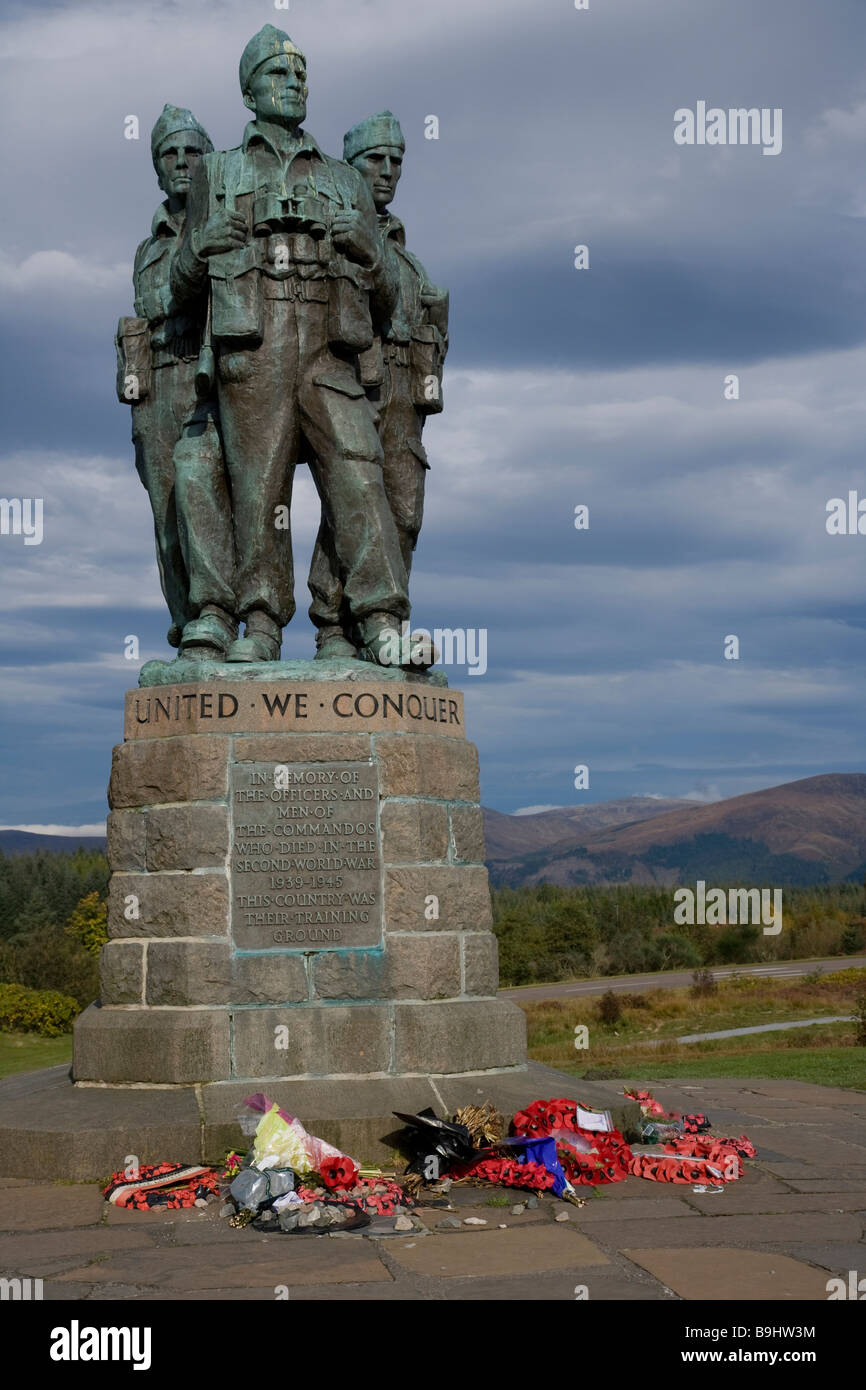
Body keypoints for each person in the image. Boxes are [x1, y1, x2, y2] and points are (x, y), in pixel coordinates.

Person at [171, 26, 410, 663]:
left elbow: (392, 297)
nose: (294, 83)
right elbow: (179, 284)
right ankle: (260, 622)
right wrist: (202, 244)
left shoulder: (343, 179)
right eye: (279, 74)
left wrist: (367, 247)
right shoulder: (216, 171)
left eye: (301, 73)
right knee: (259, 490)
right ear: (249, 89)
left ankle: (379, 617)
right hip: (252, 343)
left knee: (359, 475)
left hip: (330, 348)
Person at [307, 111, 448, 662]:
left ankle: (381, 631)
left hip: (405, 397)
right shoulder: (337, 231)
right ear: (350, 166)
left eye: (396, 160)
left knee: (404, 512)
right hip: (354, 382)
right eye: (375, 159)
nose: (388, 170)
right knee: (352, 502)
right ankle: (335, 627)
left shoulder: (407, 258)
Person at [117, 105, 237, 659]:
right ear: (158, 166)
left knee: (204, 499)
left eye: (193, 151)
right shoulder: (147, 248)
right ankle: (186, 626)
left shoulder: (224, 223)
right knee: (166, 519)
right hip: (155, 389)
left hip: (208, 378)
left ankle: (219, 616)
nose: (183, 162)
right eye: (171, 153)